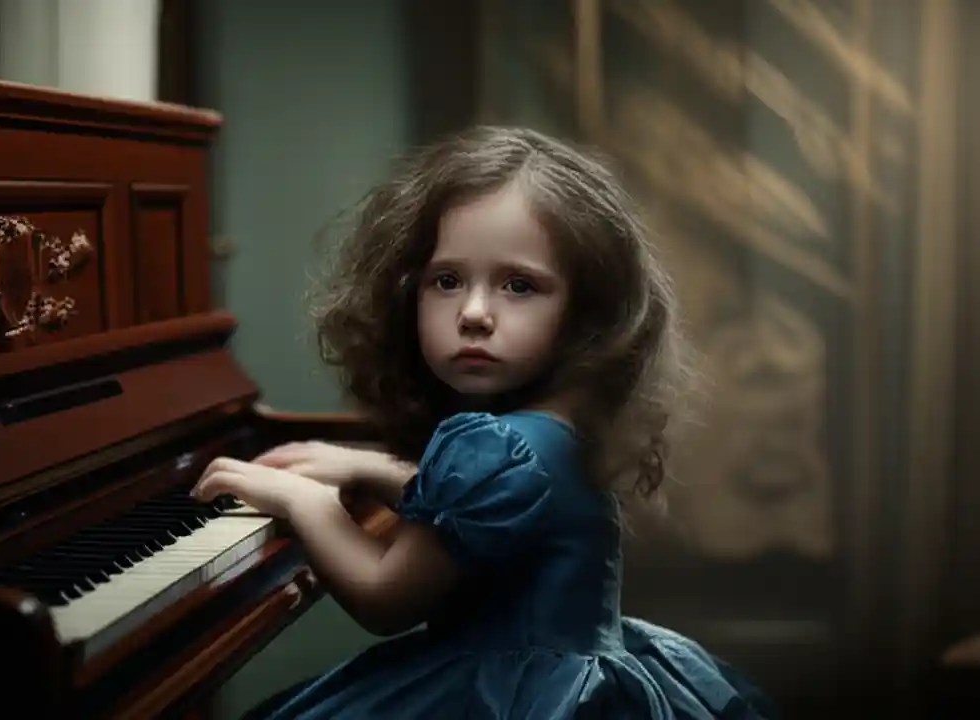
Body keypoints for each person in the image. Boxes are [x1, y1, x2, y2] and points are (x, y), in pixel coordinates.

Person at [192, 126, 778, 719]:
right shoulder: (559, 425)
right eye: (447, 281)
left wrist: (306, 503)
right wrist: (369, 467)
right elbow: (496, 513)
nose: (473, 313)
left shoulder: (500, 446)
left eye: (518, 286)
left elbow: (384, 598)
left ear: (585, 313)